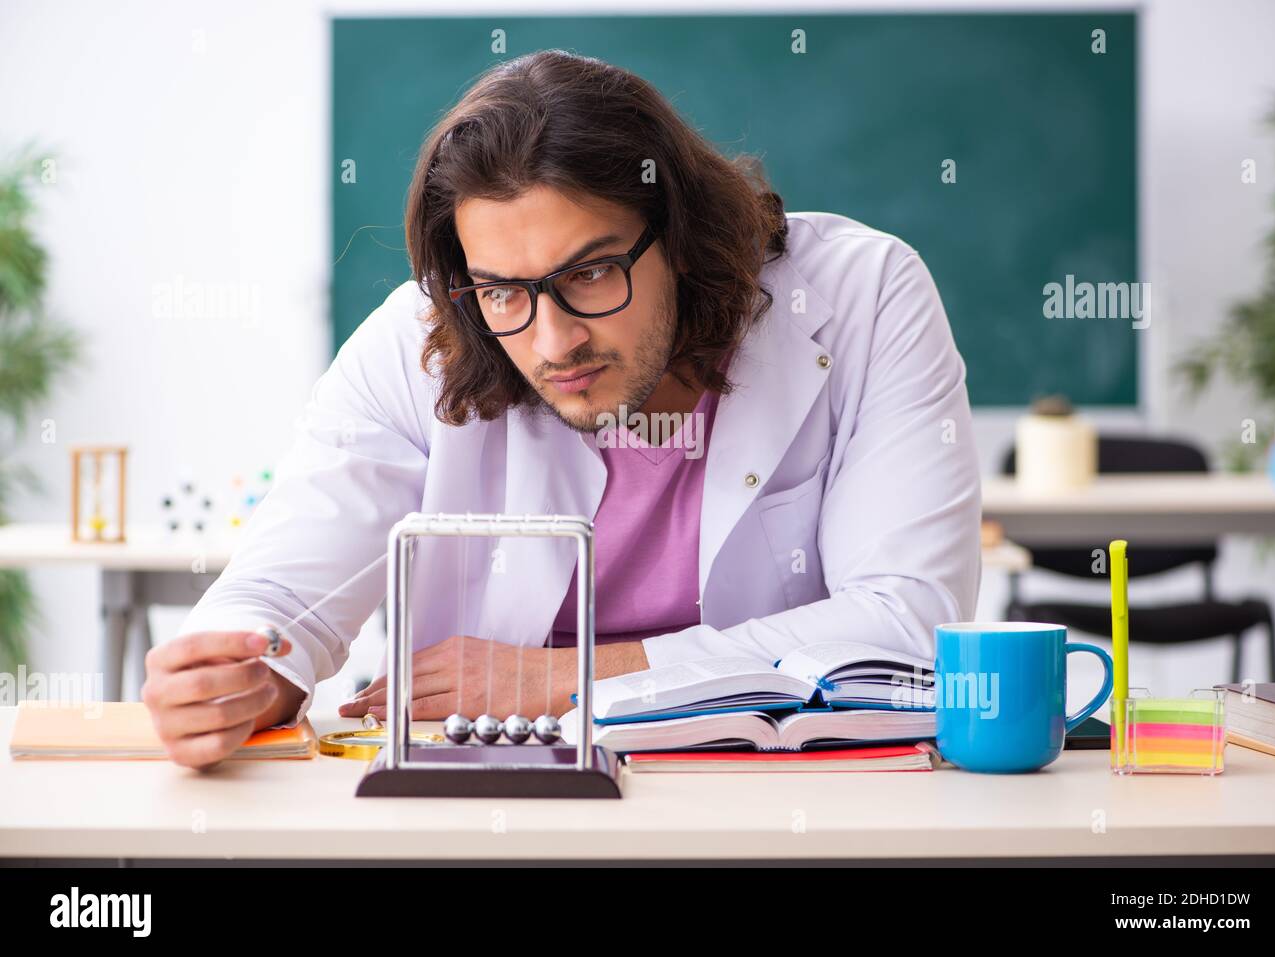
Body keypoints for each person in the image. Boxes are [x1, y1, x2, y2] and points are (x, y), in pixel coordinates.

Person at [143, 49, 980, 769]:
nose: (552, 342)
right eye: (503, 290)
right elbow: (282, 591)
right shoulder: (419, 338)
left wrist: (564, 675)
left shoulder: (863, 295)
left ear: (681, 238)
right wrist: (239, 671)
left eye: (587, 273)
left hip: (782, 809)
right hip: (503, 811)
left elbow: (907, 631)